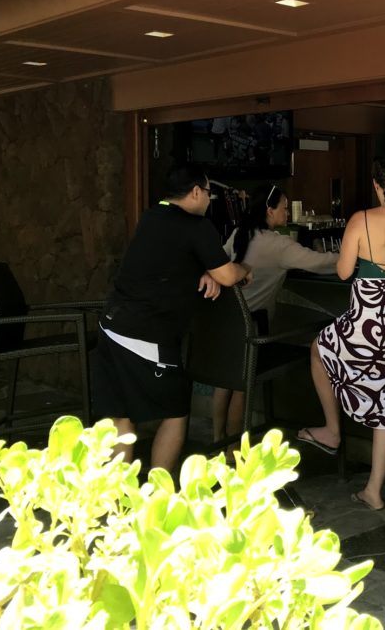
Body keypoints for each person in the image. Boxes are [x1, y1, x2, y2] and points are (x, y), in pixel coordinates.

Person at [92, 163, 252, 473]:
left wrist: (206, 271)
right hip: (145, 335)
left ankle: (114, 502)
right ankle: (158, 494)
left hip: (111, 326)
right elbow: (230, 275)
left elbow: (173, 261)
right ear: (195, 192)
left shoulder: (153, 217)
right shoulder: (196, 226)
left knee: (119, 417)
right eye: (208, 193)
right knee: (177, 411)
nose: (209, 200)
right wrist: (245, 268)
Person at [299, 155, 385, 510]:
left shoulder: (361, 220)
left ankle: (331, 429)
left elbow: (344, 272)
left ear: (376, 185)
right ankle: (374, 490)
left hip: (366, 323)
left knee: (318, 349)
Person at [216, 184, 339, 444]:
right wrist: (351, 258)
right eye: (284, 208)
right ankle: (232, 451)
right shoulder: (277, 244)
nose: (287, 213)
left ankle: (219, 439)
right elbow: (318, 262)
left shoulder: (240, 233)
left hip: (225, 327)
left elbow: (220, 262)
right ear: (269, 211)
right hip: (252, 331)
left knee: (224, 382)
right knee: (241, 387)